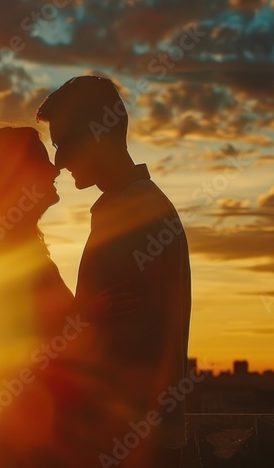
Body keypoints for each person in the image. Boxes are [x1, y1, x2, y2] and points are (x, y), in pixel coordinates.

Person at [0, 126, 135, 468]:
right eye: (44, 162)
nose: (55, 169)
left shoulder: (14, 251)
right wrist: (87, 315)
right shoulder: (10, 258)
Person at [36, 76, 192, 468]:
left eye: (64, 145)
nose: (59, 162)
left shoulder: (132, 215)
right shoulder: (138, 205)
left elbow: (115, 343)